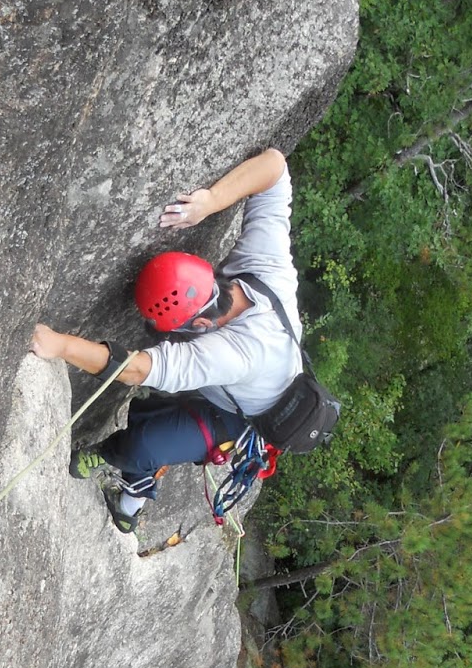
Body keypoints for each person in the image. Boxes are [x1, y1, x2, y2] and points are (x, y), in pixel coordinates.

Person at [29, 148, 303, 533]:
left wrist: (60, 345)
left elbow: (137, 369)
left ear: (203, 325)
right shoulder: (263, 266)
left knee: (144, 445)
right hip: (250, 382)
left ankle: (127, 506)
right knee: (152, 410)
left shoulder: (231, 354)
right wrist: (209, 202)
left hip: (241, 416)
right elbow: (275, 166)